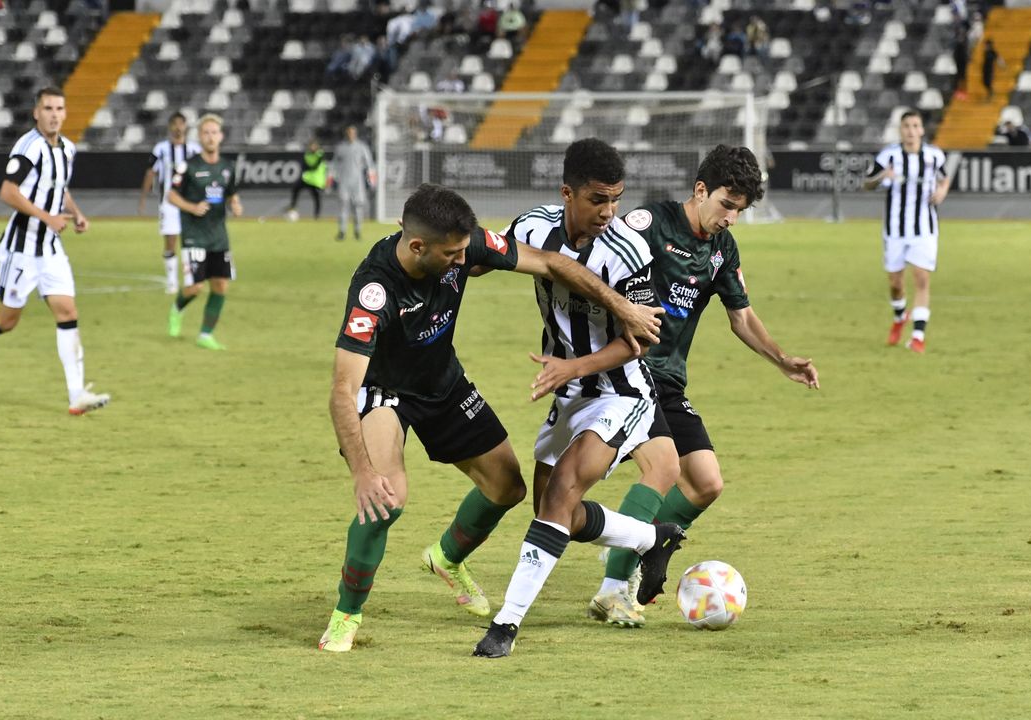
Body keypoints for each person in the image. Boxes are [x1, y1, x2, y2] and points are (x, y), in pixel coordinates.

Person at [318, 183, 664, 653]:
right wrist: (360, 472)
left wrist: (622, 308)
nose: (466, 263)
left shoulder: (466, 242)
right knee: (386, 497)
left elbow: (551, 262)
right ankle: (346, 615)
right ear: (416, 245)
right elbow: (343, 389)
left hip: (443, 382)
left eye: (467, 250)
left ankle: (447, 558)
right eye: (453, 254)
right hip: (384, 392)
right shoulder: (374, 292)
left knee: (508, 488)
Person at [472, 139, 690, 658]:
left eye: (616, 198)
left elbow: (640, 338)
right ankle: (648, 538)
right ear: (567, 192)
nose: (610, 212)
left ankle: (505, 625)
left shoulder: (630, 250)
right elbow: (485, 255)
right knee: (557, 512)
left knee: (565, 487)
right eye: (598, 199)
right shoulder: (532, 226)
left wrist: (573, 366)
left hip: (621, 390)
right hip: (566, 391)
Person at [590, 144, 820, 628]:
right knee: (663, 470)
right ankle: (614, 587)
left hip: (667, 380)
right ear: (700, 190)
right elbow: (595, 272)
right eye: (726, 204)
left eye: (740, 209)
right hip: (625, 372)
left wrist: (782, 360)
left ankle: (641, 546)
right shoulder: (648, 226)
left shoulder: (721, 248)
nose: (731, 217)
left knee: (706, 483)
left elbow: (741, 316)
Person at [0, 86, 109, 414]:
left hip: (50, 248)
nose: (54, 114)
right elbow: (7, 192)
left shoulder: (68, 150)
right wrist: (47, 217)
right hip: (22, 247)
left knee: (67, 313)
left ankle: (76, 395)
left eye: (59, 109)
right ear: (37, 113)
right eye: (48, 108)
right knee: (7, 320)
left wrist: (76, 213)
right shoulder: (28, 147)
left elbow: (58, 189)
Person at [864, 110, 951, 354]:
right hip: (895, 230)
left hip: (925, 229)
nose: (911, 131)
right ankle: (900, 315)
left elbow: (945, 179)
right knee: (895, 284)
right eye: (906, 126)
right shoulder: (889, 156)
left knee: (922, 279)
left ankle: (918, 336)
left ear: (921, 130)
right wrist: (883, 176)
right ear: (901, 130)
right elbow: (866, 184)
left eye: (915, 126)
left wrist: (942, 192)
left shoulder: (934, 156)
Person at [165, 114, 242, 351]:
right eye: (205, 133)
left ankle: (205, 334)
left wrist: (236, 204)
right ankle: (177, 309)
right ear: (199, 137)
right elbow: (171, 195)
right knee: (195, 287)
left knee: (220, 286)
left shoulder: (227, 167)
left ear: (221, 137)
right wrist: (192, 207)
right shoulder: (188, 165)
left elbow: (231, 193)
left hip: (218, 235)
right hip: (194, 235)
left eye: (214, 133)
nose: (210, 137)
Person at [139, 111, 202, 294]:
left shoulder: (194, 150)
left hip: (190, 203)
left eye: (181, 123)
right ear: (169, 127)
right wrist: (143, 198)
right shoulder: (161, 149)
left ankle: (190, 279)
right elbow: (150, 172)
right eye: (174, 123)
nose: (178, 127)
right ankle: (172, 281)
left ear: (185, 126)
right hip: (168, 203)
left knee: (191, 242)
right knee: (171, 241)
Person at [329, 125, 376, 242]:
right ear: (346, 133)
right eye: (349, 132)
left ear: (355, 134)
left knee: (358, 207)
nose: (351, 134)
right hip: (344, 182)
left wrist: (372, 182)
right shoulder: (340, 148)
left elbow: (370, 165)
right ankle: (342, 231)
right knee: (343, 207)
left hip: (357, 183)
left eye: (353, 132)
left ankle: (357, 231)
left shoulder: (362, 147)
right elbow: (334, 164)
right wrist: (331, 180)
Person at [286, 139, 326, 221]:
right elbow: (304, 166)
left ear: (317, 146)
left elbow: (315, 166)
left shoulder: (320, 154)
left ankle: (316, 215)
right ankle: (293, 206)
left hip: (316, 181)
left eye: (314, 146)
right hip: (307, 179)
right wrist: (308, 167)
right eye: (311, 146)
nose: (312, 147)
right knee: (295, 189)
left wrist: (309, 167)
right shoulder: (307, 154)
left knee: (316, 198)